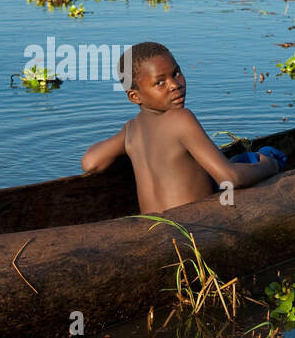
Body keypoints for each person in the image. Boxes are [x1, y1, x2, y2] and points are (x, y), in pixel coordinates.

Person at [81, 43, 283, 212]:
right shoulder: (180, 119)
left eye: (176, 73)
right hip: (194, 229)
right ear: (135, 96)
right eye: (160, 82)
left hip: (152, 229)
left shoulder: (131, 130)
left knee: (239, 160)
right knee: (262, 157)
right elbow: (230, 178)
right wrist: (269, 165)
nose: (174, 85)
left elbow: (91, 162)